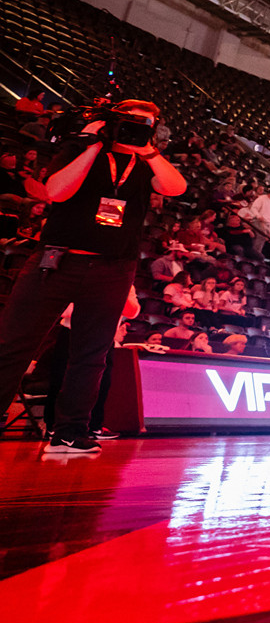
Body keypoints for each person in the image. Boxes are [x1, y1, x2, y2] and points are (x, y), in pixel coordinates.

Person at [0, 100, 186, 456]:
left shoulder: (145, 161)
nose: (135, 129)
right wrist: (94, 143)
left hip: (113, 267)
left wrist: (147, 150)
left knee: (92, 353)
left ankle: (70, 430)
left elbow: (175, 187)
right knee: (15, 342)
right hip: (57, 260)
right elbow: (57, 192)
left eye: (146, 124)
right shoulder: (78, 148)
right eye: (129, 122)